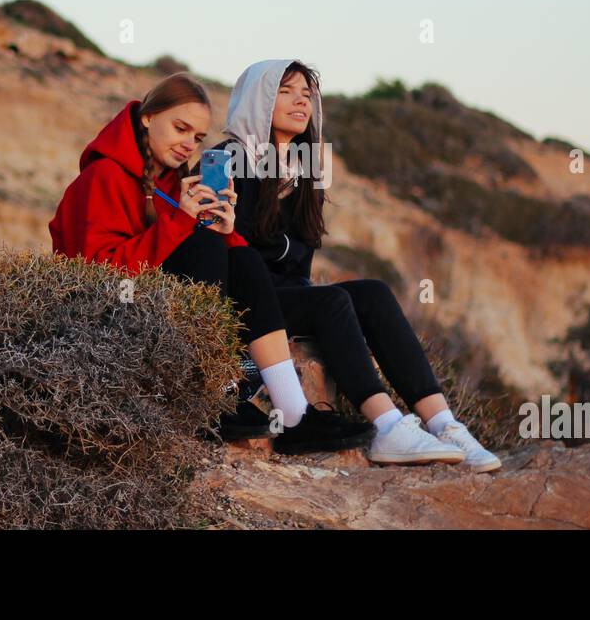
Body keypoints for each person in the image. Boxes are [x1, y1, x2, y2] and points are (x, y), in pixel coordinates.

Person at [48, 72, 373, 454]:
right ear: (147, 117)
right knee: (205, 248)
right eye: (181, 128)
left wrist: (227, 229)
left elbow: (197, 250)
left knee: (244, 257)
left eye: (198, 138)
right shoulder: (104, 176)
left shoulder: (171, 182)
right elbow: (101, 271)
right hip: (102, 314)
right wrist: (183, 224)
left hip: (153, 302)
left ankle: (294, 415)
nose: (189, 145)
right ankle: (212, 397)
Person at [208, 59, 502, 471]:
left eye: (306, 95)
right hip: (247, 300)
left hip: (288, 292)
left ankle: (445, 423)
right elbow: (232, 246)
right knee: (331, 303)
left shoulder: (304, 165)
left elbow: (298, 253)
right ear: (259, 99)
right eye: (287, 91)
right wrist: (277, 246)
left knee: (374, 294)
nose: (300, 102)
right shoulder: (227, 158)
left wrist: (274, 245)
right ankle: (386, 425)